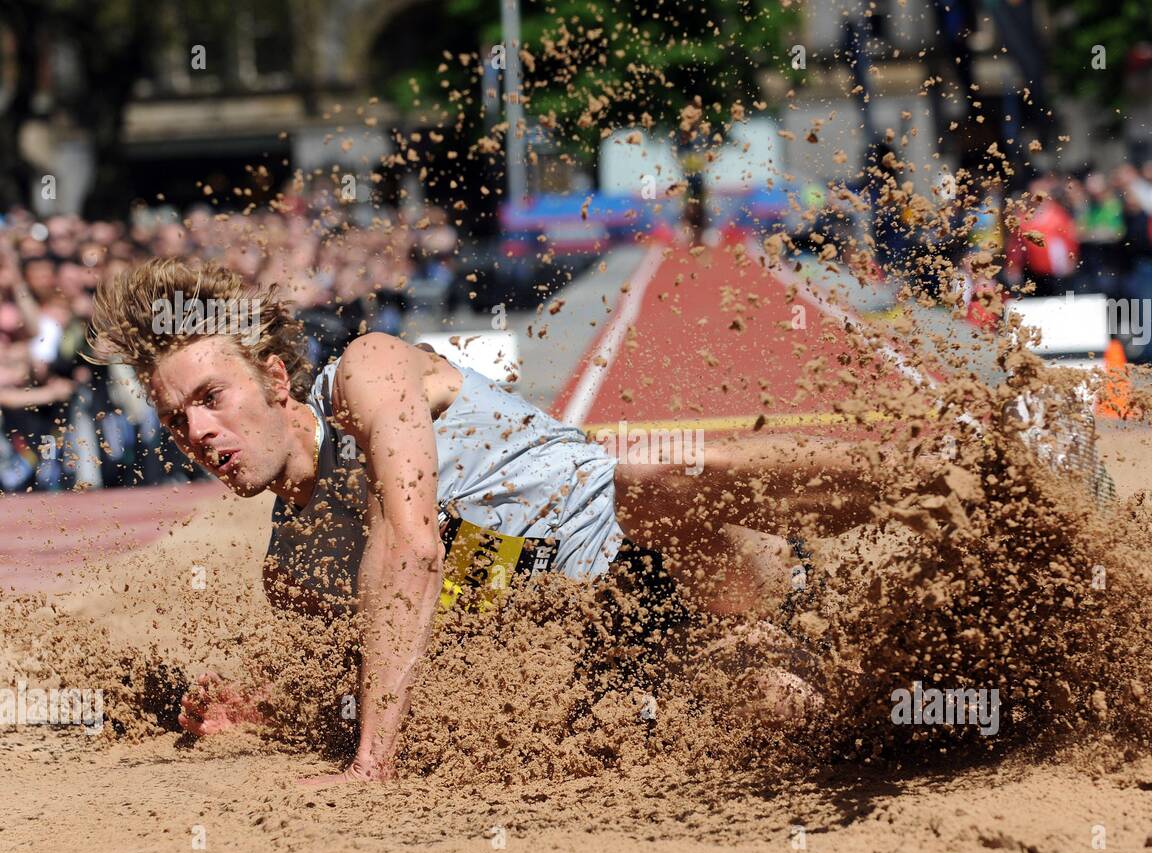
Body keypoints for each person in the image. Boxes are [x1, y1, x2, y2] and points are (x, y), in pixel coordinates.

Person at [88, 258, 879, 785]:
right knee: (792, 705)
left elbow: (412, 544)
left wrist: (371, 765)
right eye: (174, 422)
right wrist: (259, 707)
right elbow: (386, 675)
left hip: (666, 542)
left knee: (644, 470)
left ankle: (914, 479)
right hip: (615, 644)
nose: (195, 434)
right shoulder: (289, 574)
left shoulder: (369, 374)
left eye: (209, 400)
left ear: (273, 379)